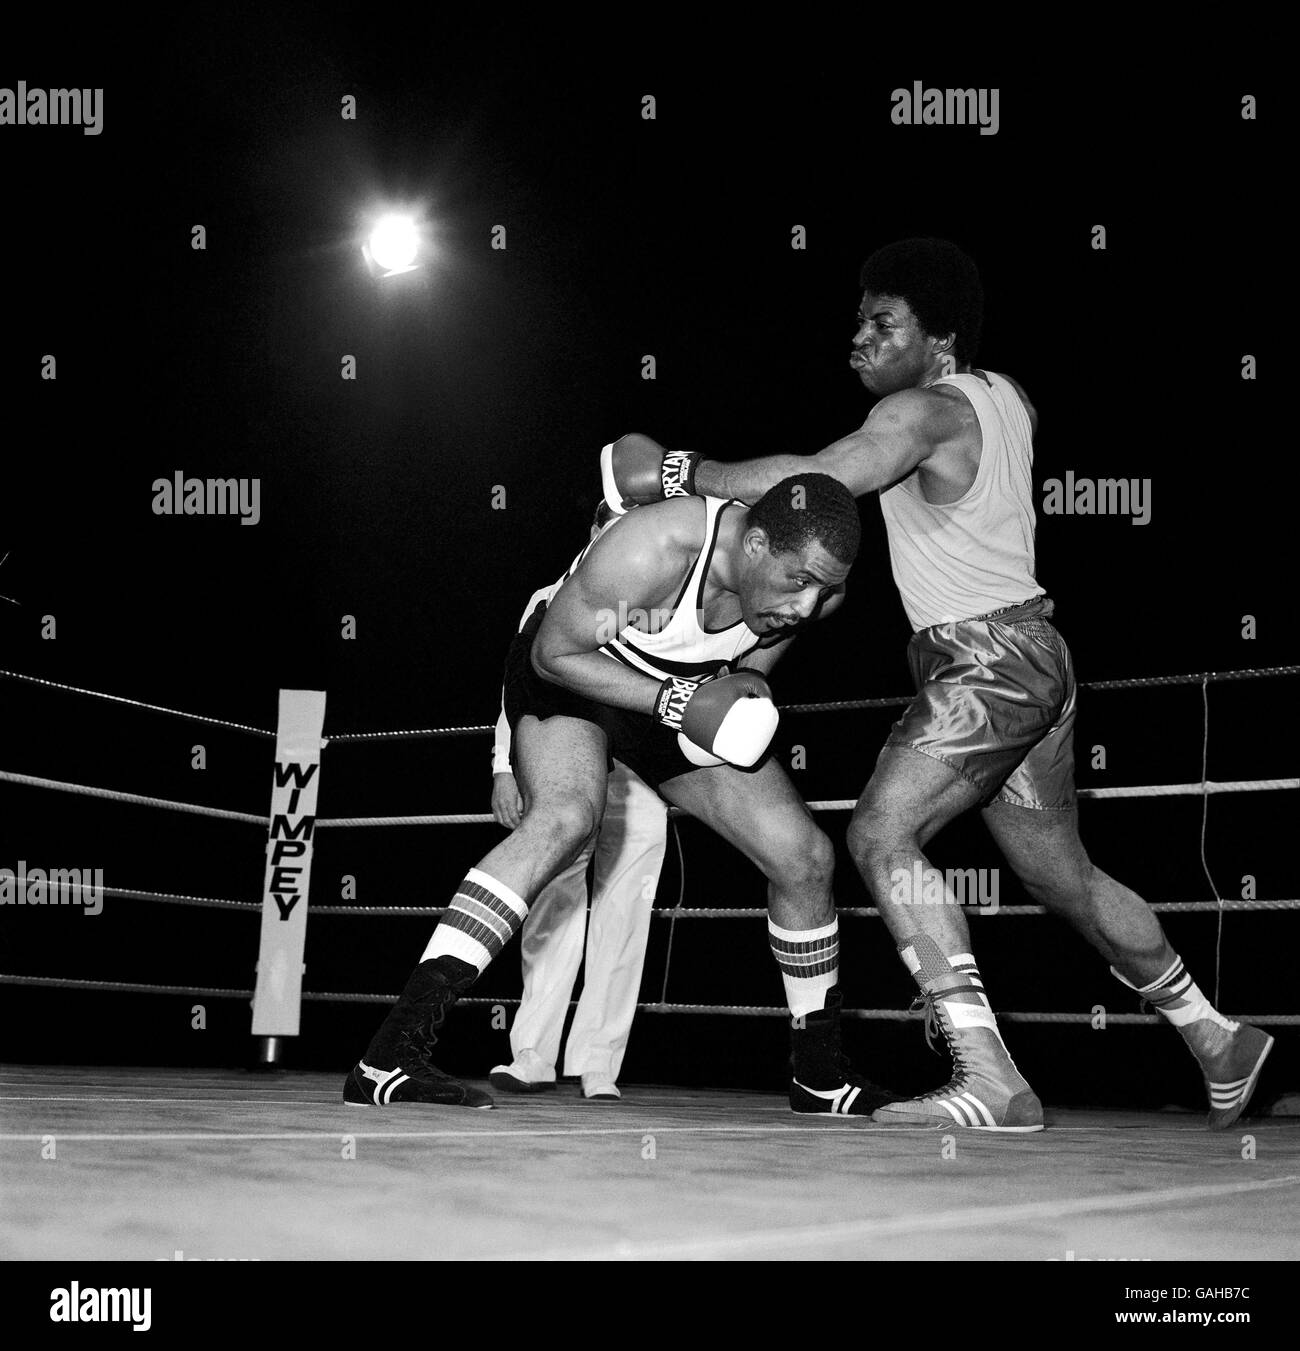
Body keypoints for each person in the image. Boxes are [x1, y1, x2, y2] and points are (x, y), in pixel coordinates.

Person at [600, 237, 1273, 1132]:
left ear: (942, 341)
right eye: (858, 321)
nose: (860, 339)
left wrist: (677, 474)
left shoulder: (926, 412)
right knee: (1065, 876)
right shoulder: (1008, 401)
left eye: (884, 323)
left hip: (985, 663)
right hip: (1035, 655)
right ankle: (1214, 1033)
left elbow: (813, 485)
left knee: (882, 832)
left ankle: (988, 1075)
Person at [345, 472, 892, 1114]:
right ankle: (390, 1056)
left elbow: (750, 665)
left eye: (826, 589)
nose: (808, 605)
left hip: (677, 695)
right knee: (566, 819)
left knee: (804, 857)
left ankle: (819, 1073)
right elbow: (554, 653)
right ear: (755, 543)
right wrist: (677, 702)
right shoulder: (655, 547)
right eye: (798, 581)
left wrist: (747, 695)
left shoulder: (812, 598)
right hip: (581, 673)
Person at [488, 504, 668, 1102]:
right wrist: (503, 767)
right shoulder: (549, 595)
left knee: (627, 909)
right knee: (554, 898)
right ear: (594, 532)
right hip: (560, 760)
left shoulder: (668, 601)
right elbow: (517, 684)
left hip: (642, 772)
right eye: (612, 526)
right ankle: (532, 1053)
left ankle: (599, 1063)